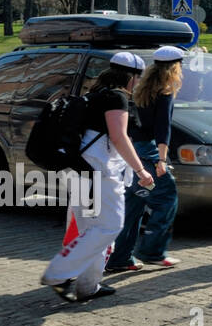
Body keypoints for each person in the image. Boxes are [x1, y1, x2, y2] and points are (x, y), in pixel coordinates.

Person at [41, 52, 154, 302]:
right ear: (131, 77)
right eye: (139, 77)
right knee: (110, 225)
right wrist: (140, 170)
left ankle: (88, 286)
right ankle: (58, 273)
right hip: (100, 171)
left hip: (79, 169)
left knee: (91, 230)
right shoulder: (116, 97)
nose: (139, 82)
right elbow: (119, 136)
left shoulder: (93, 96)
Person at [106, 45, 185, 272]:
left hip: (132, 150)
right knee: (166, 198)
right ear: (175, 68)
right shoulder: (165, 91)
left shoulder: (140, 89)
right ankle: (153, 251)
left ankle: (120, 258)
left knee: (134, 204)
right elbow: (163, 128)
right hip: (149, 151)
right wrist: (161, 160)